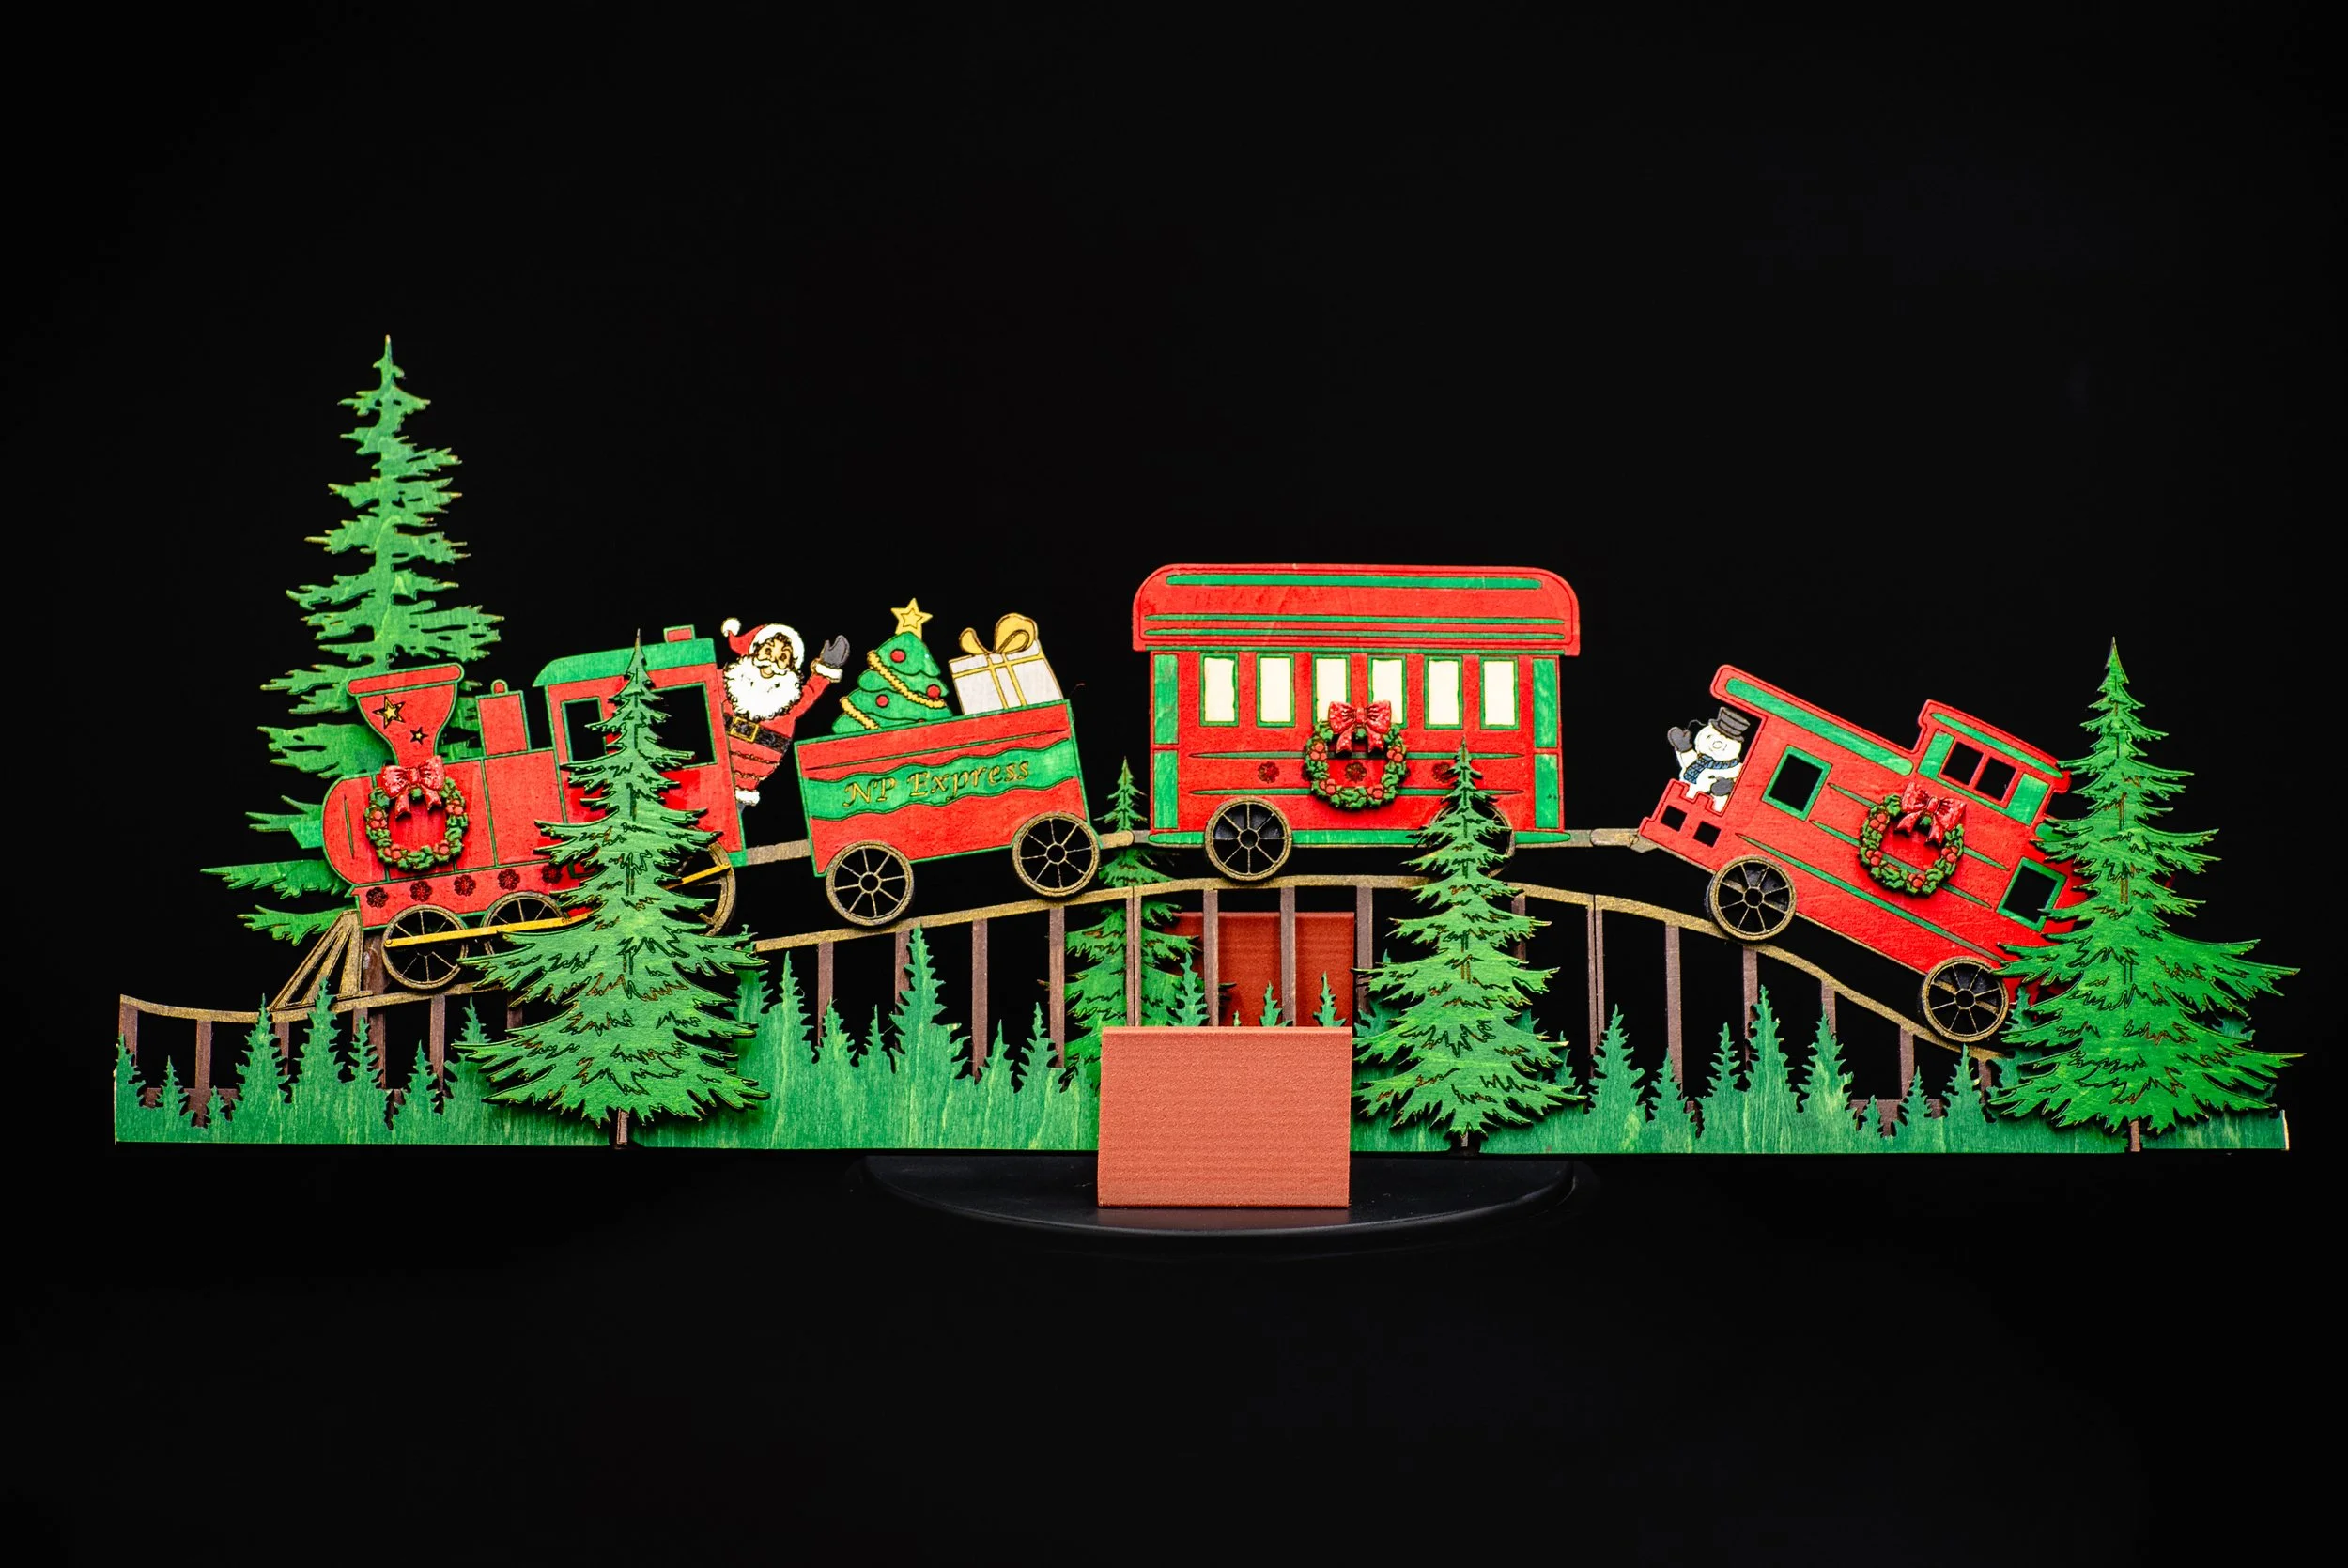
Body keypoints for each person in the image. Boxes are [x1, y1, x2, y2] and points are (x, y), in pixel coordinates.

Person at [718, 618, 848, 806]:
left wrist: (828, 666)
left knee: (734, 811)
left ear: (790, 665)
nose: (771, 661)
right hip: (716, 763)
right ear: (755, 651)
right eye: (768, 651)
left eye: (782, 658)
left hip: (750, 778)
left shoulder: (789, 699)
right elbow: (702, 677)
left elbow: (812, 690)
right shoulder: (730, 680)